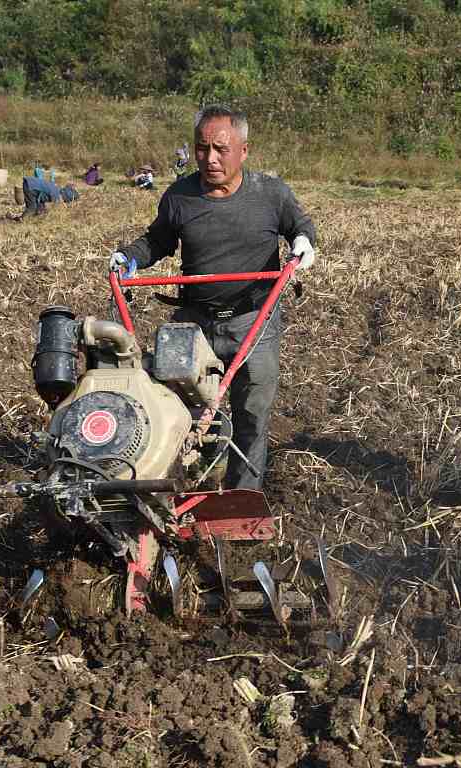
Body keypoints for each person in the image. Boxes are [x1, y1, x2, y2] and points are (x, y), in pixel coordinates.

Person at [109, 105, 316, 491]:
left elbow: (299, 225)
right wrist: (131, 258)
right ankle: (181, 487)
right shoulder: (180, 196)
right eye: (201, 148)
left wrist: (304, 243)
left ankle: (242, 497)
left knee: (252, 413)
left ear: (244, 150)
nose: (210, 158)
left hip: (253, 319)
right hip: (195, 320)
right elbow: (159, 240)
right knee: (179, 406)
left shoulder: (270, 194)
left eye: (221, 149)